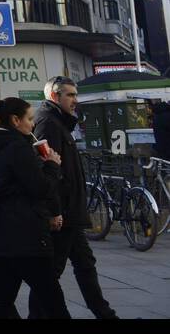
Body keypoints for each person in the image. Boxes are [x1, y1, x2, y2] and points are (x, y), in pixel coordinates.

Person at [29, 76, 117, 319]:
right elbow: (50, 172)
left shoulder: (59, 122)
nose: (75, 100)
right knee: (51, 273)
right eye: (70, 95)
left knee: (85, 265)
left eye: (75, 95)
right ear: (55, 96)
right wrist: (55, 211)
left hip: (71, 212)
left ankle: (106, 315)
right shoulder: (48, 123)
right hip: (63, 214)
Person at [0, 96, 69, 319]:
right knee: (53, 302)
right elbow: (40, 188)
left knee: (1, 301)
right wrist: (53, 166)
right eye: (29, 119)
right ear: (15, 120)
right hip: (26, 236)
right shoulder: (17, 148)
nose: (32, 124)